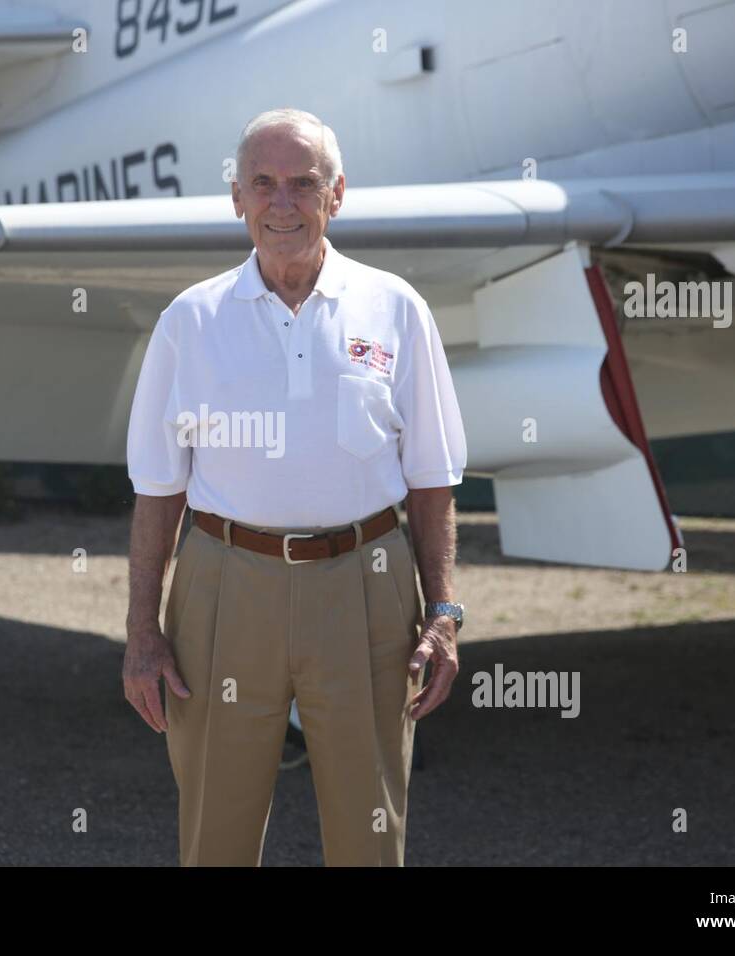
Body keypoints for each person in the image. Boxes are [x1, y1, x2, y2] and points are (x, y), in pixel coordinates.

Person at [122, 107, 467, 866]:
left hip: (368, 585)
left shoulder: (397, 308)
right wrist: (142, 633)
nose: (283, 203)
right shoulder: (191, 321)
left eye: (303, 184)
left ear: (337, 194)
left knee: (369, 828)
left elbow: (432, 480)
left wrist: (443, 612)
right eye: (264, 184)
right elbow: (157, 491)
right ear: (237, 198)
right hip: (222, 587)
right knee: (216, 827)